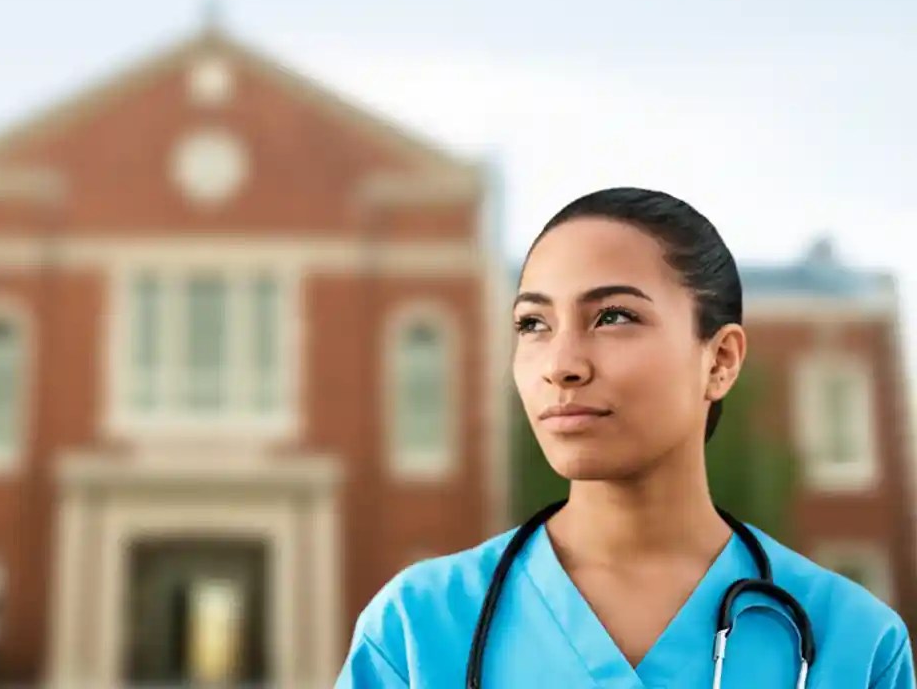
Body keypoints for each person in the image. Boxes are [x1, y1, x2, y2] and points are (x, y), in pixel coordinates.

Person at [335, 188, 915, 687]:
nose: (560, 365)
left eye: (613, 316)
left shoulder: (855, 642)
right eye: (533, 324)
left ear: (720, 361)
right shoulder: (416, 628)